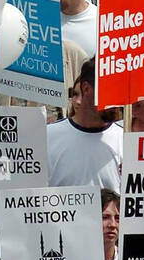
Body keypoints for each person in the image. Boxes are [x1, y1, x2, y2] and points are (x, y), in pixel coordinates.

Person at [47, 58, 122, 189]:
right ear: (86, 89)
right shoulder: (48, 137)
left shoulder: (126, 140)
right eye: (109, 90)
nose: (116, 100)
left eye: (119, 91)